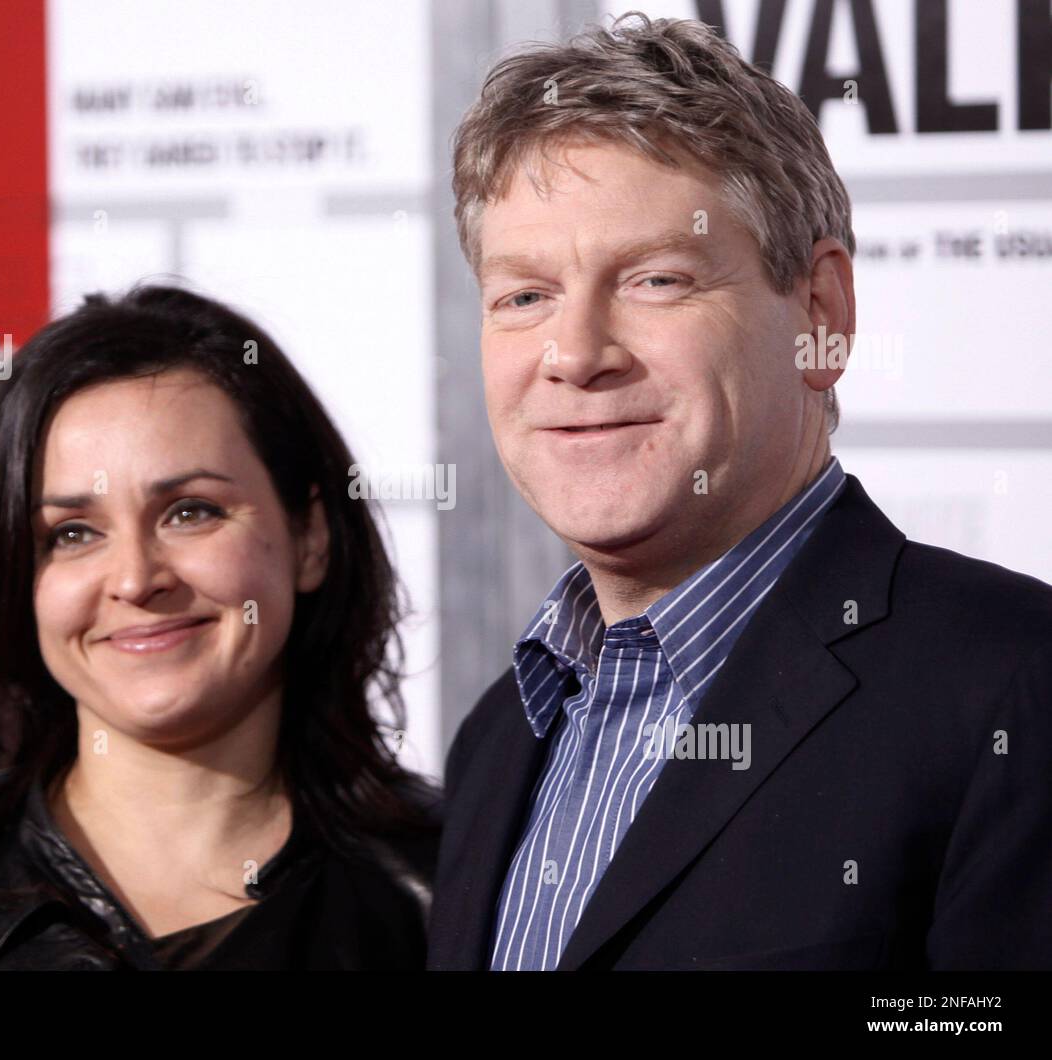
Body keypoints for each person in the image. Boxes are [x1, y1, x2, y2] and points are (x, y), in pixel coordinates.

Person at [428, 13, 1052, 970]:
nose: (576, 355)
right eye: (525, 296)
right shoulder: (498, 737)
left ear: (821, 317)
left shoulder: (1015, 687)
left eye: (656, 280)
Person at [0, 284, 439, 970]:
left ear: (310, 538)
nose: (135, 578)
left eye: (191, 511)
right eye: (74, 533)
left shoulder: (451, 893)